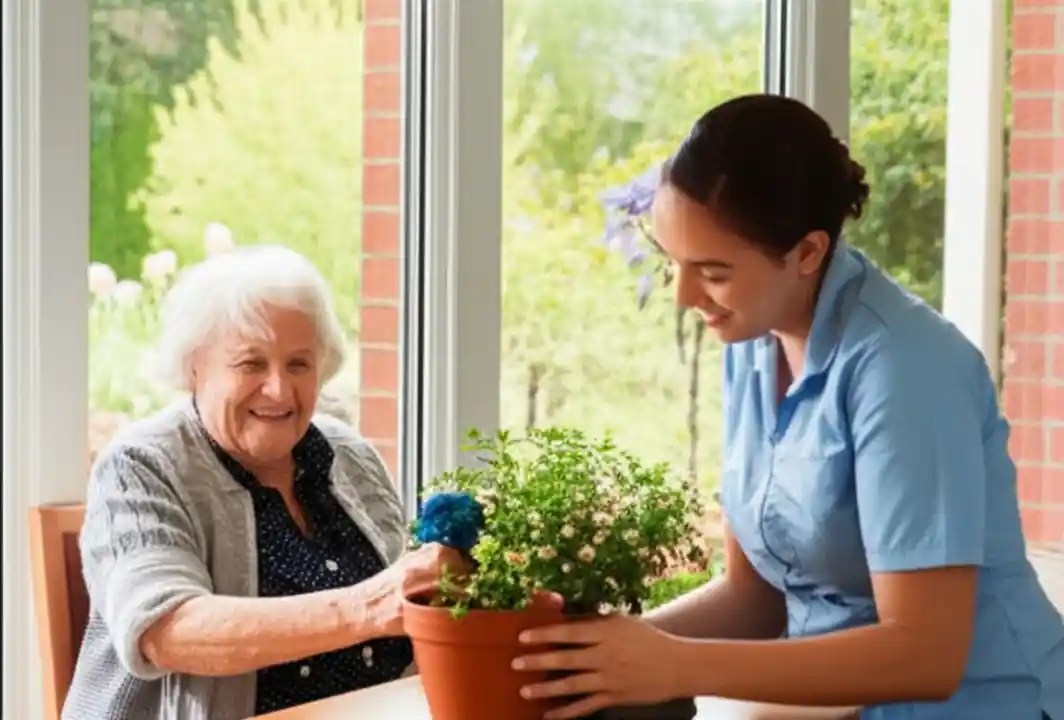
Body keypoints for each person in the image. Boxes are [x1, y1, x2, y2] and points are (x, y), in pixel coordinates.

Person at [512, 94, 1064, 720]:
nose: (686, 297)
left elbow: (925, 657)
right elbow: (758, 599)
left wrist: (671, 663)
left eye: (714, 272)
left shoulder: (905, 369)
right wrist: (590, 661)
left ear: (806, 254)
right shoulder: (754, 338)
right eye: (676, 265)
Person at [61, 245, 461, 719]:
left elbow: (414, 615)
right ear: (195, 367)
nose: (278, 389)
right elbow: (167, 632)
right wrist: (367, 607)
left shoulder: (349, 456)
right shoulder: (140, 466)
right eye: (251, 363)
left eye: (298, 364)